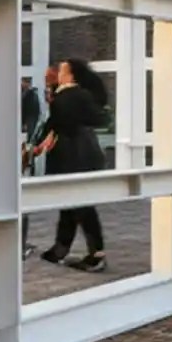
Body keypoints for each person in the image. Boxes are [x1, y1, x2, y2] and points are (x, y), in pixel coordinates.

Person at [33, 59, 109, 272]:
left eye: (63, 69)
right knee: (72, 203)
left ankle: (96, 254)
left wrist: (37, 146)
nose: (58, 71)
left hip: (74, 156)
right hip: (84, 154)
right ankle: (61, 249)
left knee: (81, 205)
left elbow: (55, 125)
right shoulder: (77, 95)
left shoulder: (67, 96)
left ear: (71, 75)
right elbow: (97, 119)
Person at [20, 72, 50, 260]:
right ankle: (19, 244)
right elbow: (33, 125)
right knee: (20, 198)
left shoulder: (29, 95)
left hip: (17, 151)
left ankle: (19, 243)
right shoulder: (29, 96)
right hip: (18, 152)